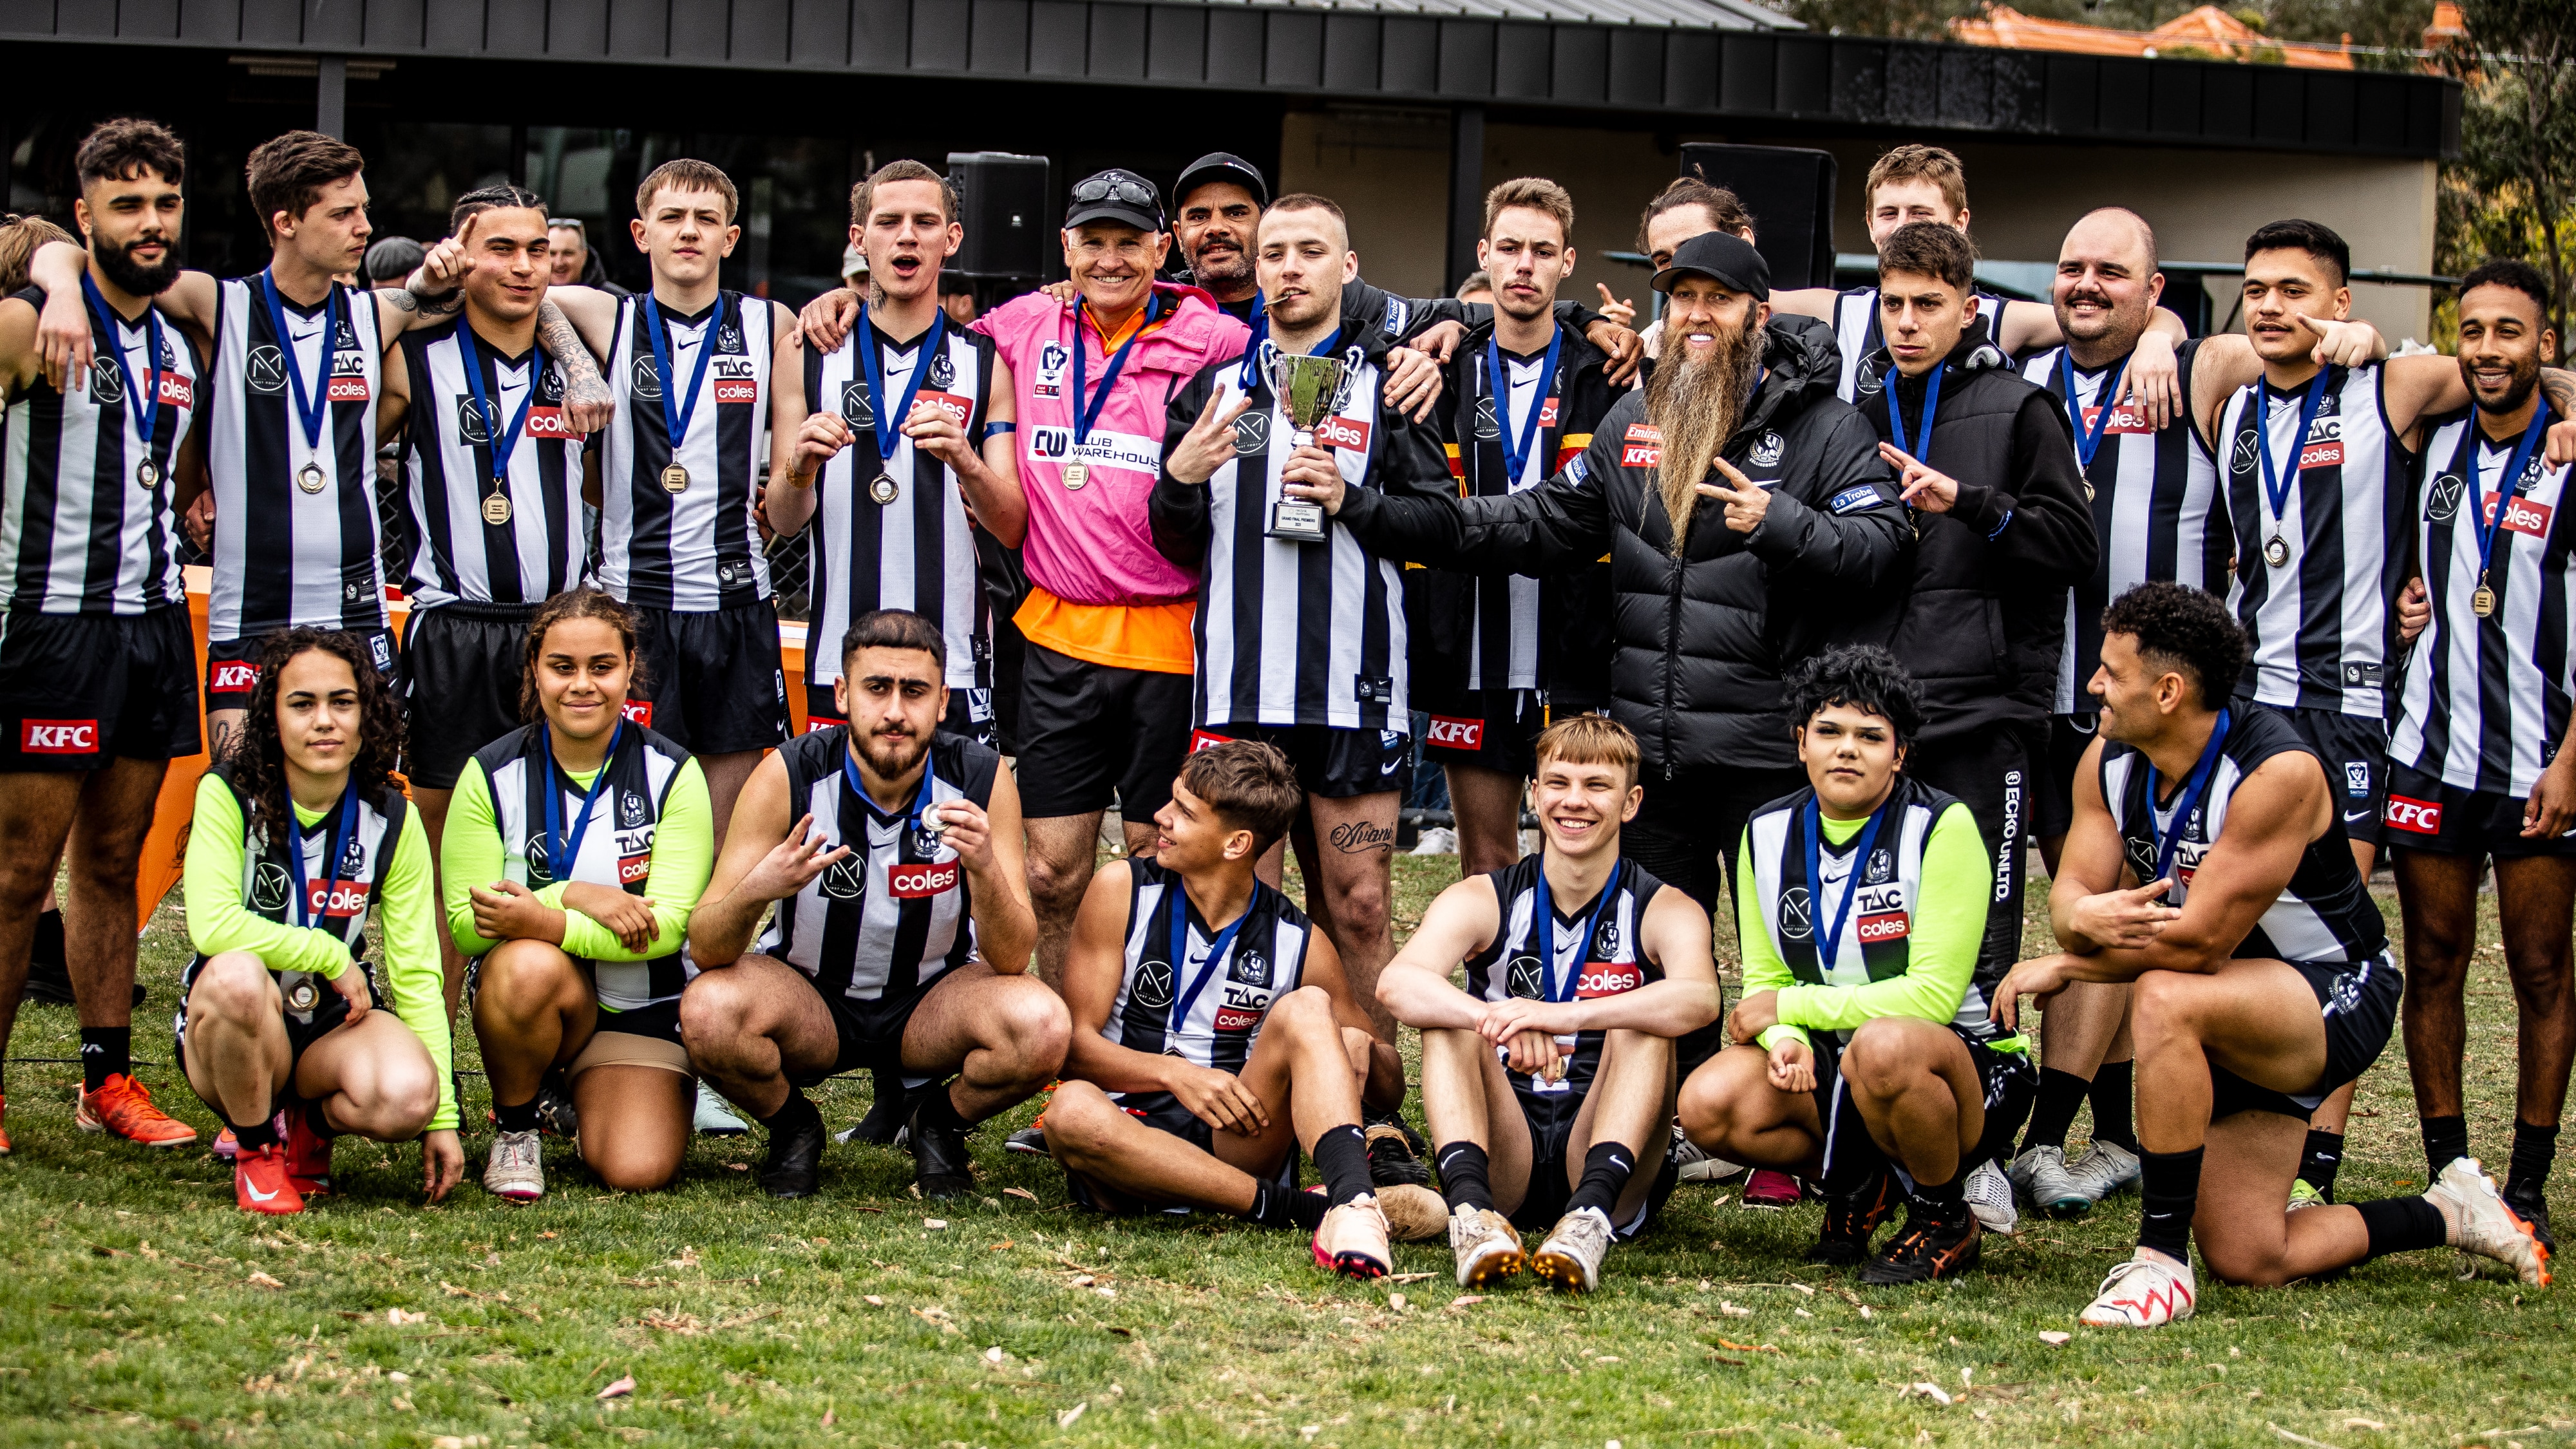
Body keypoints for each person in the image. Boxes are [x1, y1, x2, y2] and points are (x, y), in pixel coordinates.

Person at [1330, 229, 1908, 1012]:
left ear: (1759, 315)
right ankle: (1674, 1096)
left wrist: (1779, 521)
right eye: (1684, 299)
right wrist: (1366, 508)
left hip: (1766, 754)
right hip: (1654, 755)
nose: (1697, 315)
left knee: (1789, 961)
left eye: (1719, 300)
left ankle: (1785, 1090)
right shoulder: (1636, 416)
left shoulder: (1826, 424)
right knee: (1657, 972)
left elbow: (1883, 545)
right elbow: (1530, 522)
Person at [1994, 582, 2549, 1327]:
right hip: (2229, 1000)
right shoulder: (2107, 756)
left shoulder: (2275, 773)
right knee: (2251, 1254)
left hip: (2333, 991)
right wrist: (2080, 920)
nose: (2093, 684)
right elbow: (2070, 904)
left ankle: (2160, 1264)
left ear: (2167, 691)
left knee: (2163, 995)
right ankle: (2448, 1212)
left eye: (2110, 672)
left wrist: (2070, 964)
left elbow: (2197, 945)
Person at [2190, 220, 2576, 1201]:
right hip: (2248, 705)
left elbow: (2508, 375)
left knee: (2337, 938)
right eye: (2257, 288)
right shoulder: (2225, 395)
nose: (2271, 305)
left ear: (2343, 302)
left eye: (2297, 290)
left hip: (2355, 711)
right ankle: (2237, 1143)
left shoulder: (2392, 391)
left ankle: (2319, 1165)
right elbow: (2210, 351)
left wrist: (2562, 407)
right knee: (2235, 928)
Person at [1150, 192, 1450, 1124]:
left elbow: (1440, 523)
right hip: (1240, 694)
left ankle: (1373, 1108)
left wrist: (1353, 500)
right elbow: (1172, 538)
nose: (1289, 267)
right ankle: (1247, 1103)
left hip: (1356, 691)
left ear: (1347, 268)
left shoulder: (1391, 386)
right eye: (1274, 251)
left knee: (1358, 905)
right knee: (1239, 899)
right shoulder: (1212, 391)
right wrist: (1179, 478)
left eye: (1310, 251)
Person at [1844, 220, 2097, 1228]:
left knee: (1983, 947)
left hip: (1986, 711)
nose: (1907, 323)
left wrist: (1974, 504)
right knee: (1883, 928)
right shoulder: (1860, 408)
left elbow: (2072, 545)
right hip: (1881, 714)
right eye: (1893, 305)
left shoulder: (2019, 407)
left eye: (1928, 305)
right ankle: (1889, 1142)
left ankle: (1982, 1151)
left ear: (1968, 308)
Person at [2005, 207, 2235, 1220]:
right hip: (2035, 691)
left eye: (2113, 271)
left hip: (2146, 715)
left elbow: (2271, 349)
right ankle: (2095, 1135)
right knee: (2081, 908)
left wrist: (2170, 339)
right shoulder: (2023, 378)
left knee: (2119, 911)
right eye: (2071, 267)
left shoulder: (2194, 377)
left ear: (2155, 290)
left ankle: (2066, 1137)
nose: (2087, 284)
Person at [680, 609, 1065, 1199]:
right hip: (810, 997)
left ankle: (937, 1124)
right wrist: (760, 886)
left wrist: (986, 867)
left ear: (942, 701)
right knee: (709, 1011)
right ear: (842, 694)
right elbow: (706, 947)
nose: (895, 712)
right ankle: (794, 1127)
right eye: (877, 688)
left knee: (1042, 1027)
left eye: (915, 692)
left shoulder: (981, 777)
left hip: (930, 1002)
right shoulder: (789, 773)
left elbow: (1012, 959)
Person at [1678, 647, 2031, 1282]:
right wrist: (1785, 1039)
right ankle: (1863, 1185)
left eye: (1870, 736)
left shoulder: (1942, 825)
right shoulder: (1765, 831)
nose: (1847, 749)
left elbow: (1931, 999)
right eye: (1829, 731)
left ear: (1899, 754)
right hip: (1835, 1056)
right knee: (1708, 1101)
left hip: (1962, 1064)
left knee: (1883, 1046)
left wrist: (1787, 1009)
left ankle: (1943, 1216)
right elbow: (1766, 980)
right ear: (1801, 743)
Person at [1043, 739, 1445, 1275]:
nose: (1160, 817)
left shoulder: (1296, 939)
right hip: (1124, 1129)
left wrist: (1365, 1051)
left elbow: (1389, 1091)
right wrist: (1176, 1075)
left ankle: (1353, 1204)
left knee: (1309, 1007)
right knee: (1070, 1112)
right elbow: (1074, 1049)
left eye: (1184, 812)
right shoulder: (1122, 889)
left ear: (1235, 844)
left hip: (1237, 1134)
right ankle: (1305, 1210)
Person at [0, 121, 208, 1153]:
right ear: (82, 217)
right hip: (50, 626)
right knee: (16, 872)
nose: (150, 222)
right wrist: (49, 277)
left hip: (153, 627)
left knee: (114, 861)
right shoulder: (27, 320)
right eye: (127, 205)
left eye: (165, 202)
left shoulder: (177, 340)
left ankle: (106, 1079)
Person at [1379, 716, 1719, 1292]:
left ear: (1631, 803)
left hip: (1605, 1145)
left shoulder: (1665, 906)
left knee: (1643, 1018)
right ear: (1534, 795)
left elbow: (1700, 998)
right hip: (1506, 1145)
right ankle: (1472, 1217)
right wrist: (1497, 1019)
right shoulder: (1485, 896)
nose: (1574, 801)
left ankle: (1587, 1222)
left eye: (1597, 786)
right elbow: (1398, 984)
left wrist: (1567, 1015)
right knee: (1447, 1019)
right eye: (1558, 783)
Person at [2386, 259, 2576, 1249]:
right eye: (2473, 330)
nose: (2489, 349)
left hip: (2542, 759)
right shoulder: (2431, 442)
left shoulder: (2572, 453)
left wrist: (2574, 759)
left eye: (2510, 330)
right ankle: (2451, 1175)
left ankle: (2531, 1182)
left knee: (2541, 968)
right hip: (2429, 751)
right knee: (2432, 960)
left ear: (2547, 343)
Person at [535, 159, 802, 858]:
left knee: (726, 825)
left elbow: (791, 507)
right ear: (640, 233)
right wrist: (580, 368)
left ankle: (705, 931)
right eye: (672, 217)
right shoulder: (607, 315)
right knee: (630, 815)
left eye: (706, 220)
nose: (689, 232)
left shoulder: (770, 322)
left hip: (734, 603)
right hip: (633, 603)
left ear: (730, 238)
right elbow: (513, 289)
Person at [175, 628, 460, 1213]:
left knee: (409, 1097)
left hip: (328, 1023)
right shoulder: (228, 793)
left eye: (342, 702)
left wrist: (444, 1119)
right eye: (302, 704)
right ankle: (257, 1149)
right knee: (236, 977)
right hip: (233, 1020)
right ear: (272, 718)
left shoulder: (393, 817)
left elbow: (417, 974)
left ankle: (308, 1128)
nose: (324, 721)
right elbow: (213, 926)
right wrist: (328, 954)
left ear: (368, 715)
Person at [446, 589, 713, 1200]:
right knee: (526, 965)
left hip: (639, 1009)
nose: (582, 685)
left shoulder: (674, 774)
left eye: (602, 666)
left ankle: (581, 1094)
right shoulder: (489, 774)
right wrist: (572, 894)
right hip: (536, 992)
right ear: (534, 669)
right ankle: (517, 1125)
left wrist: (539, 915)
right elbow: (467, 925)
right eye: (562, 667)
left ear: (630, 668)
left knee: (637, 1170)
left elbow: (669, 928)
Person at [1412, 179, 1625, 879]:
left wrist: (1596, 323)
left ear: (1568, 262)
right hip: (1470, 656)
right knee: (1487, 862)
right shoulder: (1441, 368)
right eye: (1508, 249)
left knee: (1580, 861)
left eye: (1542, 250)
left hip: (1578, 656)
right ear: (1485, 255)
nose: (1524, 265)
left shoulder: (1608, 371)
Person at [767, 159, 1021, 744]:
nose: (907, 236)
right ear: (860, 239)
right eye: (888, 222)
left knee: (956, 807)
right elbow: (783, 519)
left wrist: (967, 462)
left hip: (953, 661)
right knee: (838, 806)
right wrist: (799, 467)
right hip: (839, 657)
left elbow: (1011, 526)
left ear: (951, 239)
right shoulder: (806, 353)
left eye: (925, 222)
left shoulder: (986, 363)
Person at [1768, 144, 2188, 420]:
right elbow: (1743, 296)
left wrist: (2156, 339)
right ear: (1870, 224)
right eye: (1888, 213)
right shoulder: (1840, 310)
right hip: (1862, 519)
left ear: (1959, 223)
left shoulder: (1995, 317)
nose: (1902, 227)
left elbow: (2104, 317)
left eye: (1920, 213)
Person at [545, 217, 628, 297]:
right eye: (552, 254)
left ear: (584, 256)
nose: (559, 263)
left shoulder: (618, 299)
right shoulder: (536, 299)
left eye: (568, 253)